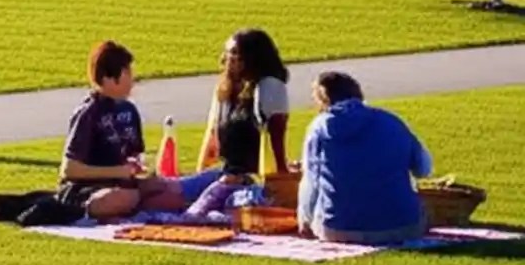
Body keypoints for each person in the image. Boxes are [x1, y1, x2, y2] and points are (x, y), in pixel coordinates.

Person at [58, 41, 221, 220]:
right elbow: (69, 170)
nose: (132, 79)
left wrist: (141, 169)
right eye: (127, 73)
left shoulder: (129, 110)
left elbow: (135, 156)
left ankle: (140, 205)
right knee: (120, 198)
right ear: (108, 79)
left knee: (166, 192)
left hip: (127, 185)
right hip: (88, 189)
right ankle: (93, 211)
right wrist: (117, 172)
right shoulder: (88, 113)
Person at [298, 72, 433, 244]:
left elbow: (311, 182)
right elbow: (423, 169)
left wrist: (304, 220)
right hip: (403, 226)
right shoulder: (391, 121)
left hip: (337, 229)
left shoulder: (319, 128)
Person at [186, 29, 291, 216]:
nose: (230, 59)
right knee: (160, 191)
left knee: (200, 210)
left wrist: (282, 174)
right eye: (228, 53)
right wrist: (201, 170)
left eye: (236, 54)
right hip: (225, 172)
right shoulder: (225, 89)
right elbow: (213, 136)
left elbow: (276, 135)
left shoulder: (268, 87)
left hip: (250, 181)